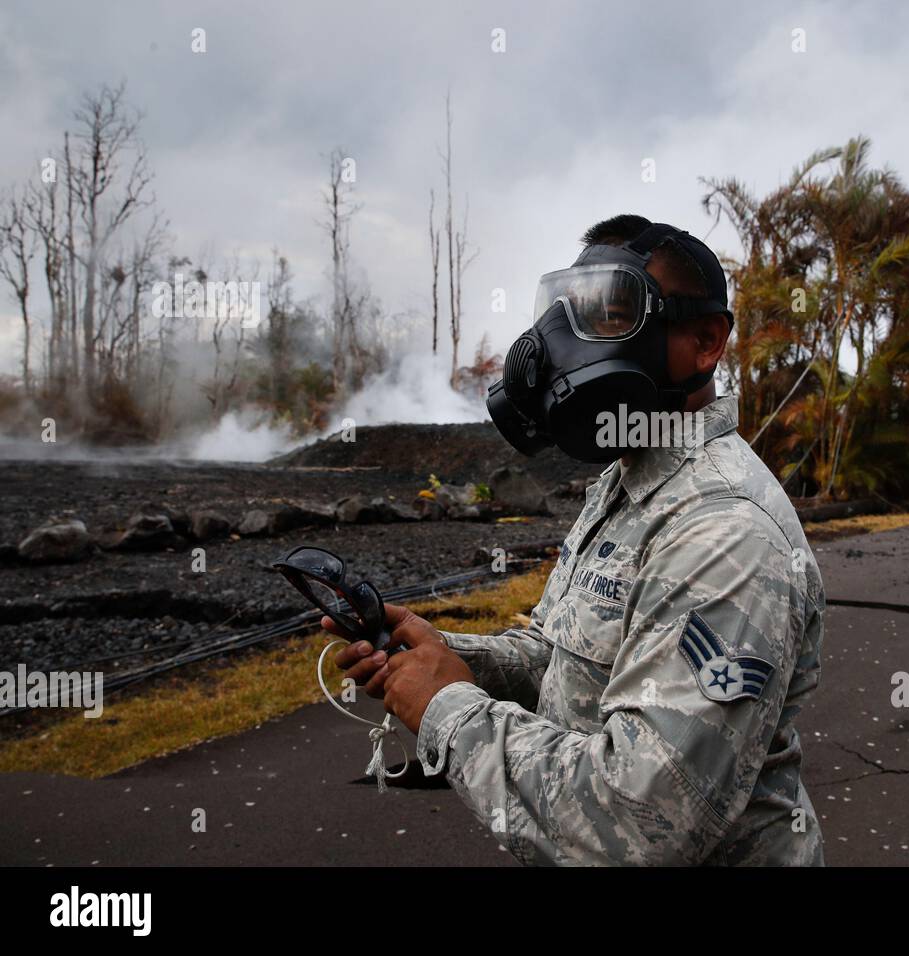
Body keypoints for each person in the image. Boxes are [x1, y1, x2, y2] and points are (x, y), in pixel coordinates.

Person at [330, 215, 825, 865]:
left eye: (612, 315)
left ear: (706, 342)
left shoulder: (723, 532)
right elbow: (561, 659)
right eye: (569, 315)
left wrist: (447, 707)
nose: (573, 344)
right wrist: (444, 658)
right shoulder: (630, 478)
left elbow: (644, 819)